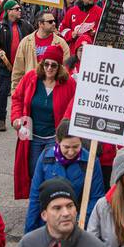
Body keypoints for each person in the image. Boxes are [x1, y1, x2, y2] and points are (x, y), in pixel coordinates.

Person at [10, 45, 77, 200]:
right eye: (46, 63)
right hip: (31, 136)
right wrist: (16, 118)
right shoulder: (31, 78)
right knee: (33, 172)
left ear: (59, 67)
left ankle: (51, 203)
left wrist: (65, 128)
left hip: (53, 137)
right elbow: (17, 98)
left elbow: (73, 105)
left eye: (54, 65)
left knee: (52, 172)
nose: (49, 68)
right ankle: (38, 203)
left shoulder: (69, 84)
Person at [26, 120, 106, 233]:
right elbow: (35, 197)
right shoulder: (45, 158)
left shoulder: (91, 161)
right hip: (48, 225)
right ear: (57, 141)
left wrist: (79, 221)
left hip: (78, 224)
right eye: (66, 147)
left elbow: (96, 197)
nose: (71, 152)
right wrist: (29, 232)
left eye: (76, 147)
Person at [0, 0, 32, 132]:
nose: (20, 11)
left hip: (23, 67)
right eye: (16, 9)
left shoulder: (26, 25)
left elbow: (34, 38)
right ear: (8, 11)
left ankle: (25, 119)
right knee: (3, 92)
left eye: (19, 8)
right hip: (5, 66)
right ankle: (1, 119)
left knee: (26, 94)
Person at [11, 9, 70, 85]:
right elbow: (18, 69)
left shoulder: (61, 43)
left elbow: (66, 68)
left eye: (54, 21)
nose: (54, 24)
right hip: (31, 86)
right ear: (40, 24)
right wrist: (15, 90)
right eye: (50, 22)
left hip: (52, 87)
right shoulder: (25, 42)